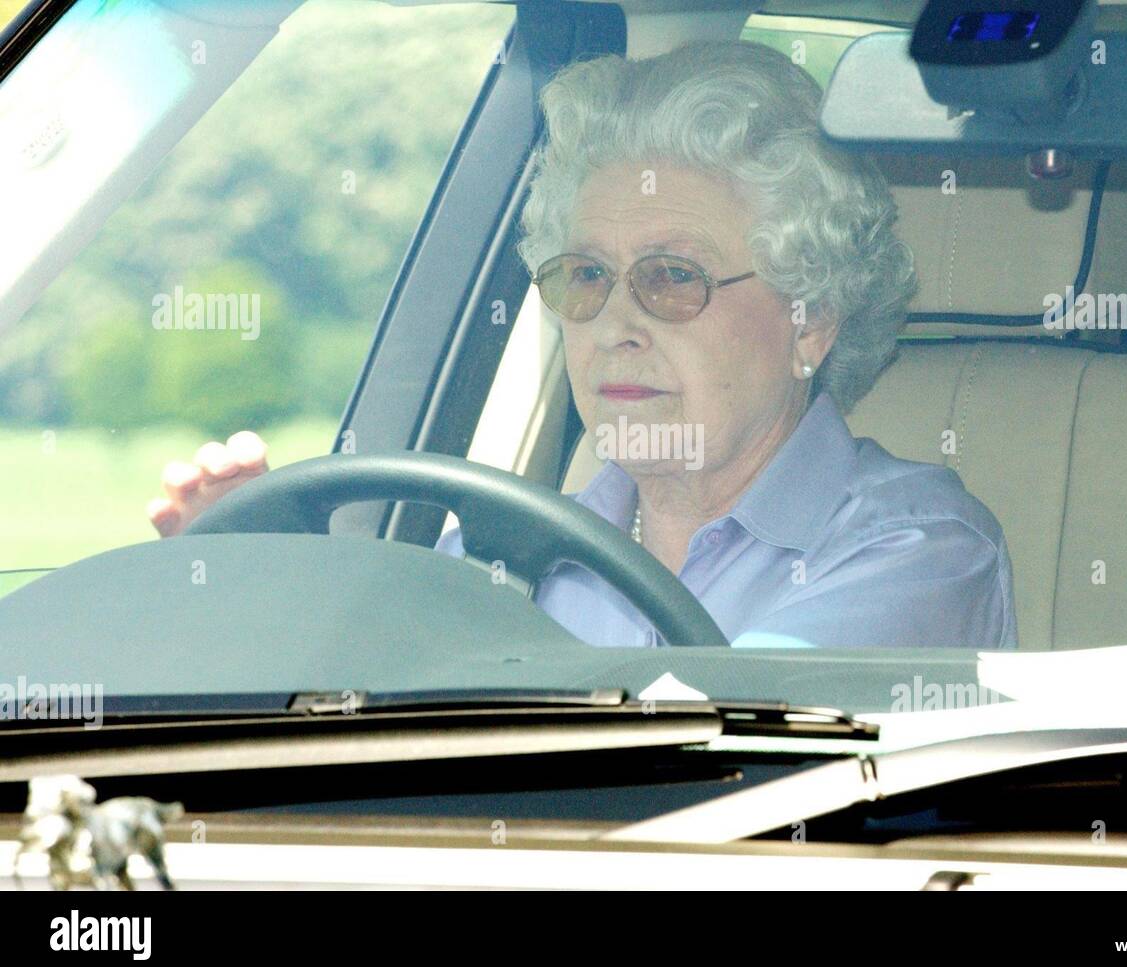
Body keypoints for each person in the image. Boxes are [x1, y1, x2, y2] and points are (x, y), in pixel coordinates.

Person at [149, 40, 1017, 650]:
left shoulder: (923, 550)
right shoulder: (503, 550)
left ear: (812, 319)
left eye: (674, 276)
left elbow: (708, 778)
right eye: (585, 277)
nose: (614, 324)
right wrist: (271, 598)